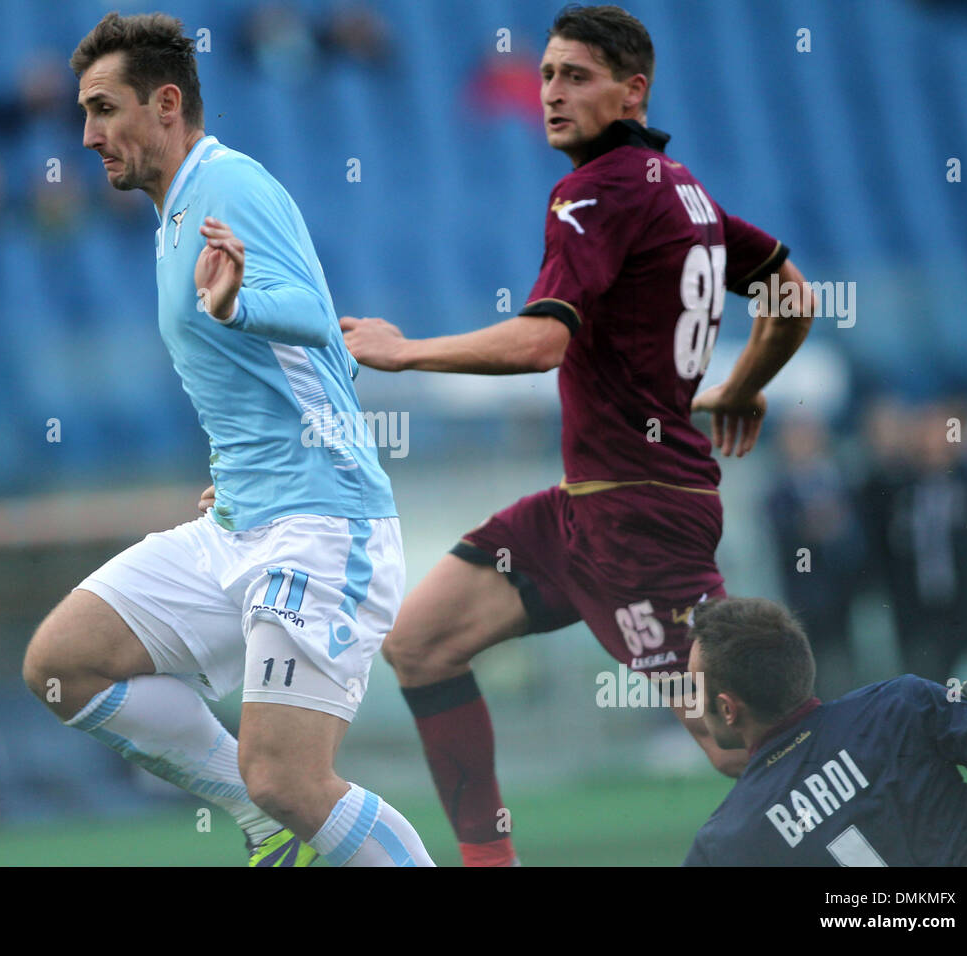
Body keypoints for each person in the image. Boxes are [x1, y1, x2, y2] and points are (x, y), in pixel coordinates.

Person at [340, 3, 814, 866]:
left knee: (735, 739)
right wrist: (744, 387)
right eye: (549, 74)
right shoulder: (686, 193)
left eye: (577, 76)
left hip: (640, 520)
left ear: (633, 92)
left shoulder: (595, 190)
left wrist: (404, 353)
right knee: (420, 644)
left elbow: (541, 340)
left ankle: (906, 780)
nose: (552, 92)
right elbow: (794, 293)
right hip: (584, 511)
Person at [22, 12, 433, 867]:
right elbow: (297, 375)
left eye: (103, 110)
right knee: (64, 663)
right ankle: (264, 817)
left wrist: (238, 304)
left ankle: (278, 807)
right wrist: (245, 465)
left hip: (321, 528)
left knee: (292, 774)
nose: (88, 134)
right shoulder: (176, 216)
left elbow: (315, 319)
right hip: (242, 520)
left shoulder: (229, 186)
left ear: (166, 103)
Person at [682, 596, 967, 866]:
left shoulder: (720, 846)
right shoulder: (899, 705)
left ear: (727, 709)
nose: (693, 699)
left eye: (695, 687)